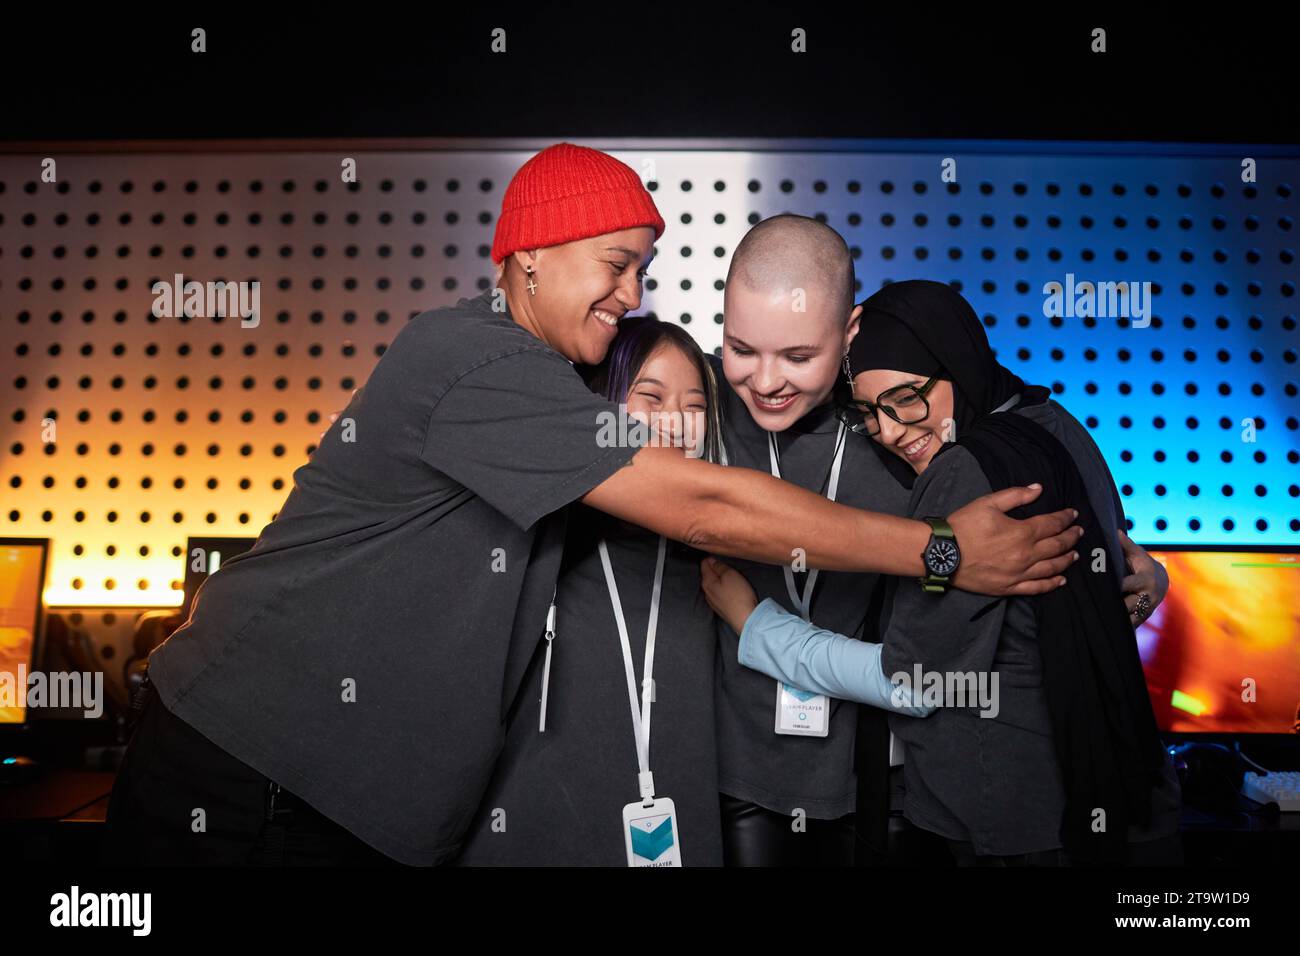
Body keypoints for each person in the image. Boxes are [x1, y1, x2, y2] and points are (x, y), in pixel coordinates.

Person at [102, 144, 1081, 867]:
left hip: (347, 808)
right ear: (529, 255)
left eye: (643, 268)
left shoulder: (554, 395)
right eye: (615, 261)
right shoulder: (472, 354)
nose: (632, 290)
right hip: (251, 773)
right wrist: (943, 550)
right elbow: (702, 500)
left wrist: (1111, 565)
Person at [704, 215, 1171, 867]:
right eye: (742, 349)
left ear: (848, 332)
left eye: (799, 354)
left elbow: (913, 679)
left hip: (985, 804)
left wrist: (756, 625)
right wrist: (1144, 577)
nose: (890, 430)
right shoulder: (1045, 420)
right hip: (1077, 794)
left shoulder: (960, 464)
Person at [453, 316, 727, 866]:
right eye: (650, 397)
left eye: (694, 407)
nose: (675, 423)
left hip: (680, 832)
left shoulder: (718, 566)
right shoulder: (536, 544)